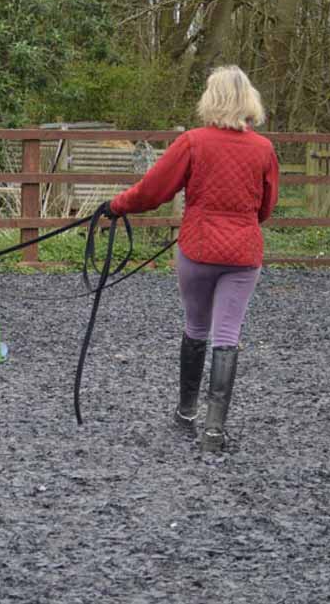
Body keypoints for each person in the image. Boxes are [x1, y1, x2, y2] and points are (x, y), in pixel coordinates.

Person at [103, 65, 279, 453]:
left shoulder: (193, 142)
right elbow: (265, 208)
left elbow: (153, 191)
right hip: (243, 253)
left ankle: (185, 412)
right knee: (228, 335)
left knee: (196, 326)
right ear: (249, 100)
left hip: (198, 248)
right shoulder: (264, 149)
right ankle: (214, 431)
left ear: (210, 98)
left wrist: (116, 207)